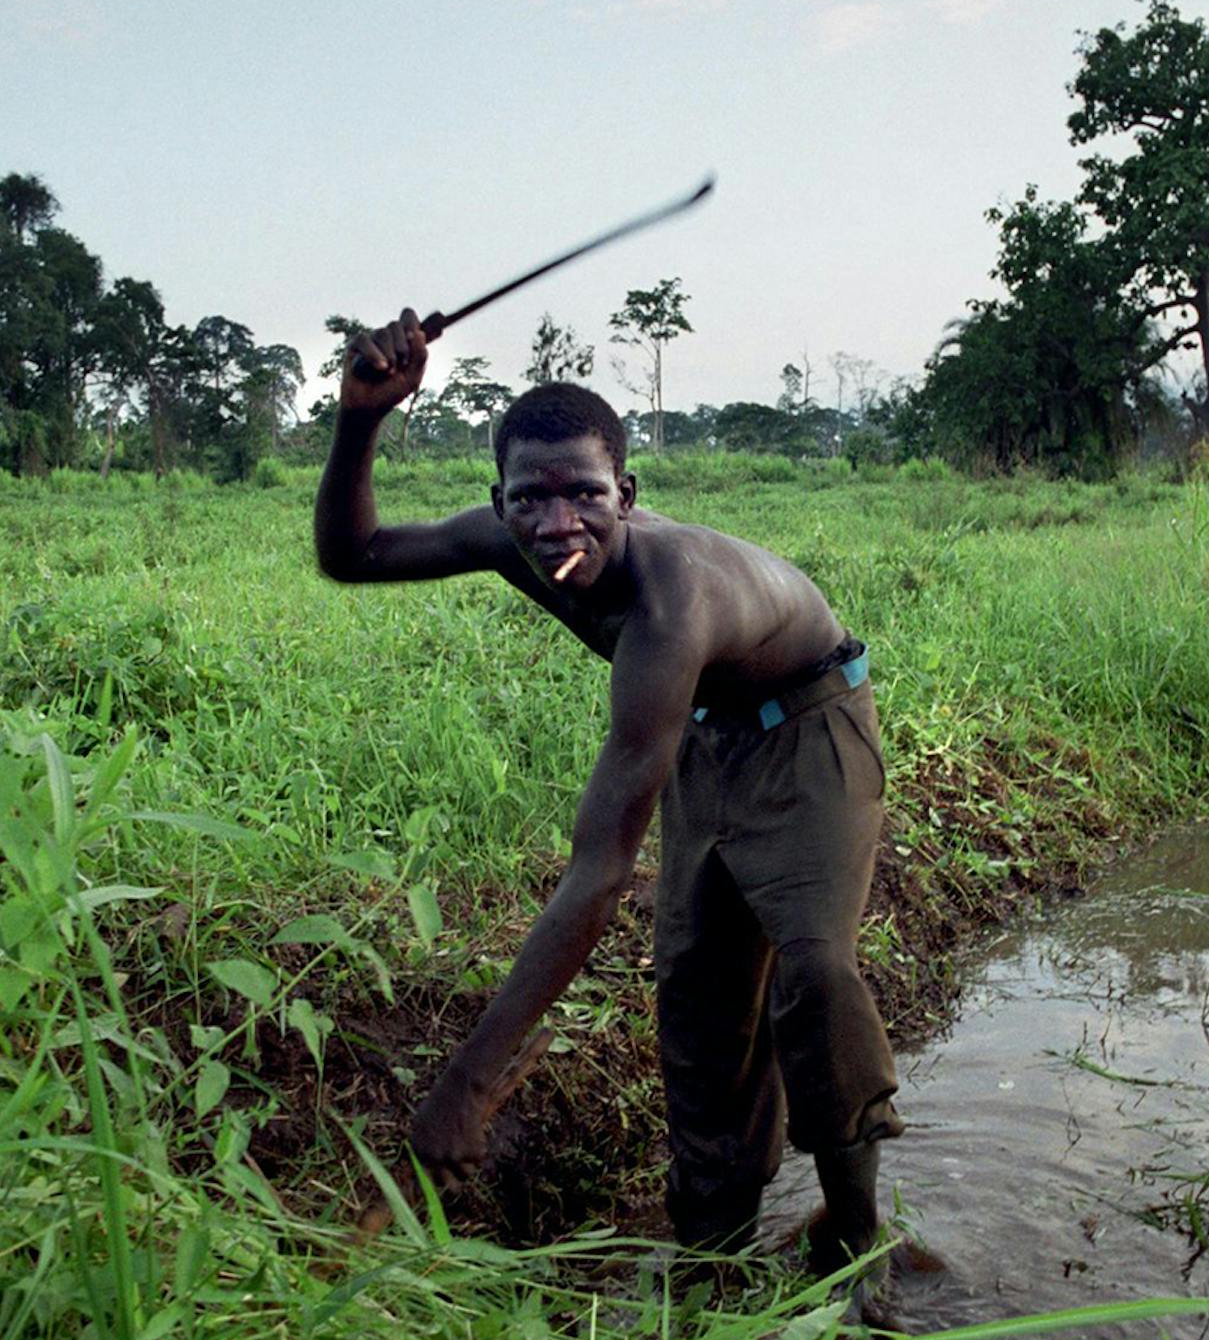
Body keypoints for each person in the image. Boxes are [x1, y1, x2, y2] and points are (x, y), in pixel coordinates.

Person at [314, 310, 904, 1281]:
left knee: (814, 974)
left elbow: (599, 872)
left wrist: (470, 1080)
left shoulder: (674, 605)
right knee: (699, 995)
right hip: (706, 737)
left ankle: (852, 1245)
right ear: (497, 500)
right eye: (530, 500)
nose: (557, 525)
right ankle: (712, 1259)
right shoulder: (514, 540)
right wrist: (360, 418)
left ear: (625, 494)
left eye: (583, 494)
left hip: (809, 735)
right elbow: (354, 555)